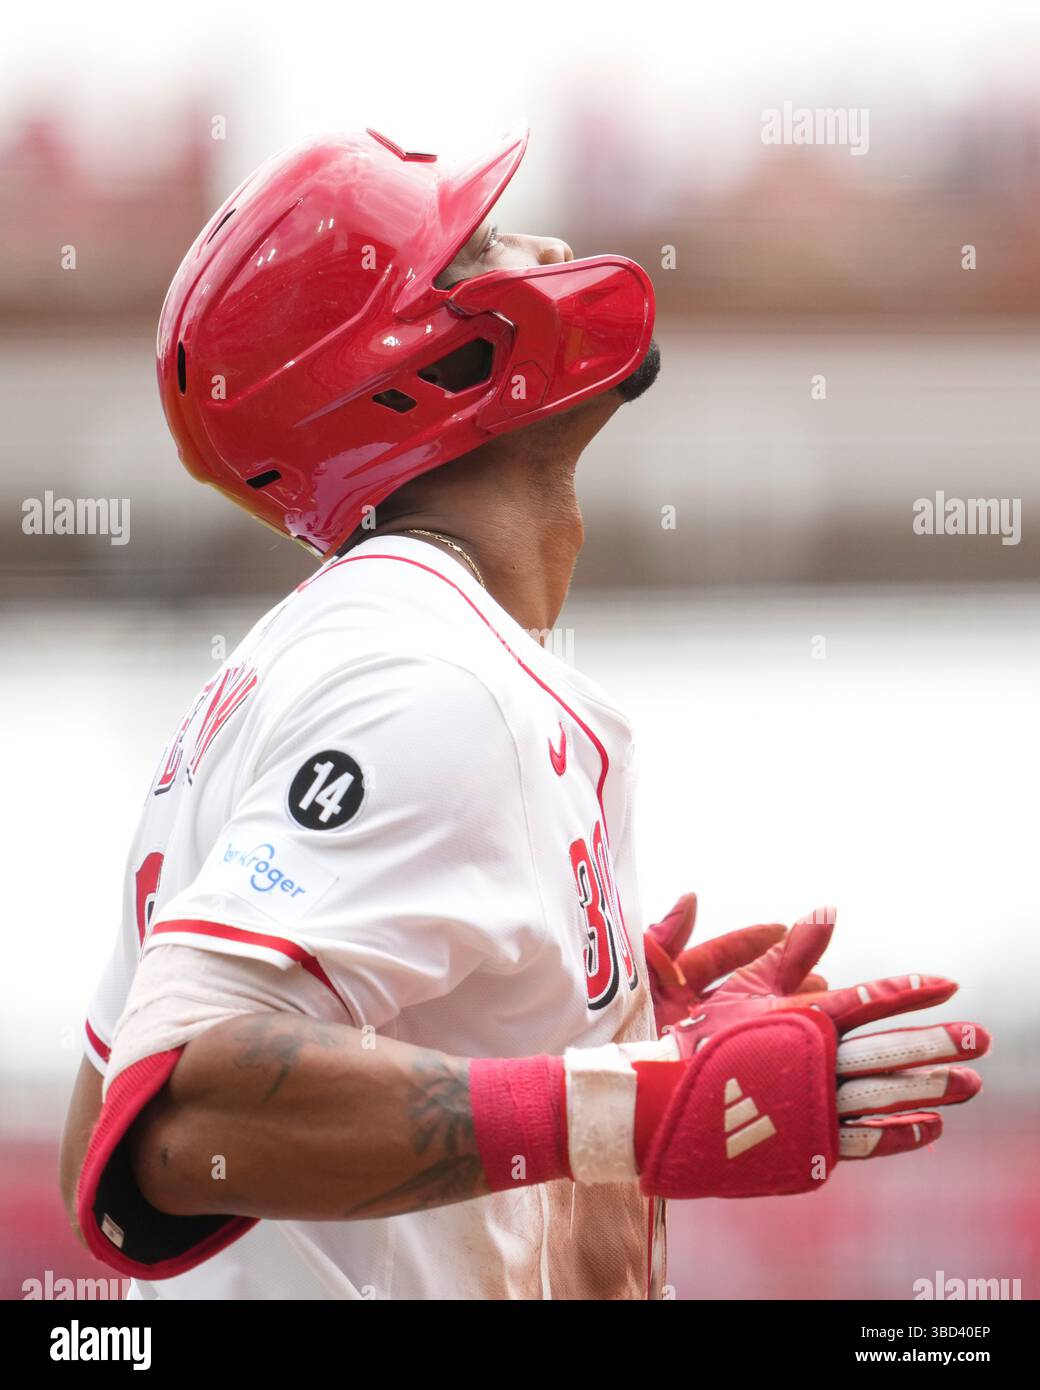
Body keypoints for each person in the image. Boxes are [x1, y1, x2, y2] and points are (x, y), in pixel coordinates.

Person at [59, 126, 989, 1300]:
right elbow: (171, 1127)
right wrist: (634, 1103)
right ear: (427, 369)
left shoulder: (341, 654)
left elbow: (101, 1117)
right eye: (482, 245)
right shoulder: (421, 681)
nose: (545, 248)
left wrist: (566, 1036)